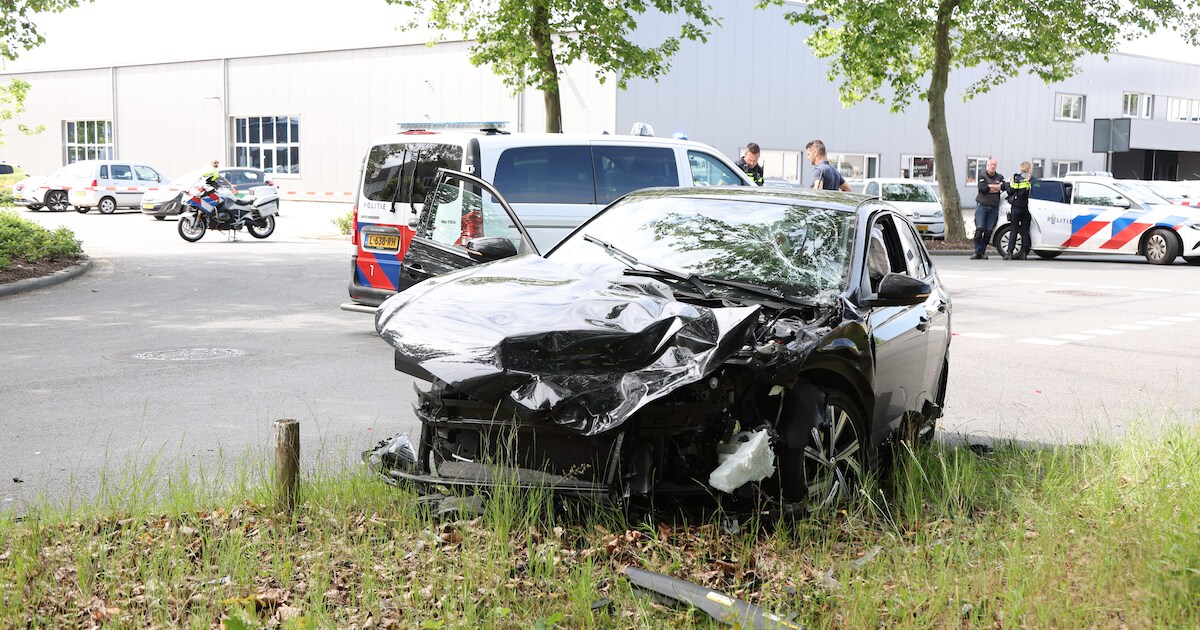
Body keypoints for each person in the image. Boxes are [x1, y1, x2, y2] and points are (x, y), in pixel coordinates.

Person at [971, 157, 1005, 260]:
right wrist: (996, 187)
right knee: (980, 228)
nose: (993, 166)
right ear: (988, 165)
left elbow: (1004, 187)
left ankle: (982, 251)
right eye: (991, 164)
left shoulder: (1000, 177)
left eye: (995, 164)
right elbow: (983, 188)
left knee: (988, 231)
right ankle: (977, 251)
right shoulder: (982, 175)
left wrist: (990, 186)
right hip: (982, 206)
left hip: (993, 208)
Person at [1003, 162, 1033, 260]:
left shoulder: (1018, 179)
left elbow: (1009, 191)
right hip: (1026, 208)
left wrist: (1007, 183)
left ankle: (1009, 253)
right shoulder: (1031, 180)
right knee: (1025, 231)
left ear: (1021, 168)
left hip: (1016, 208)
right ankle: (1024, 253)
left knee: (1014, 230)